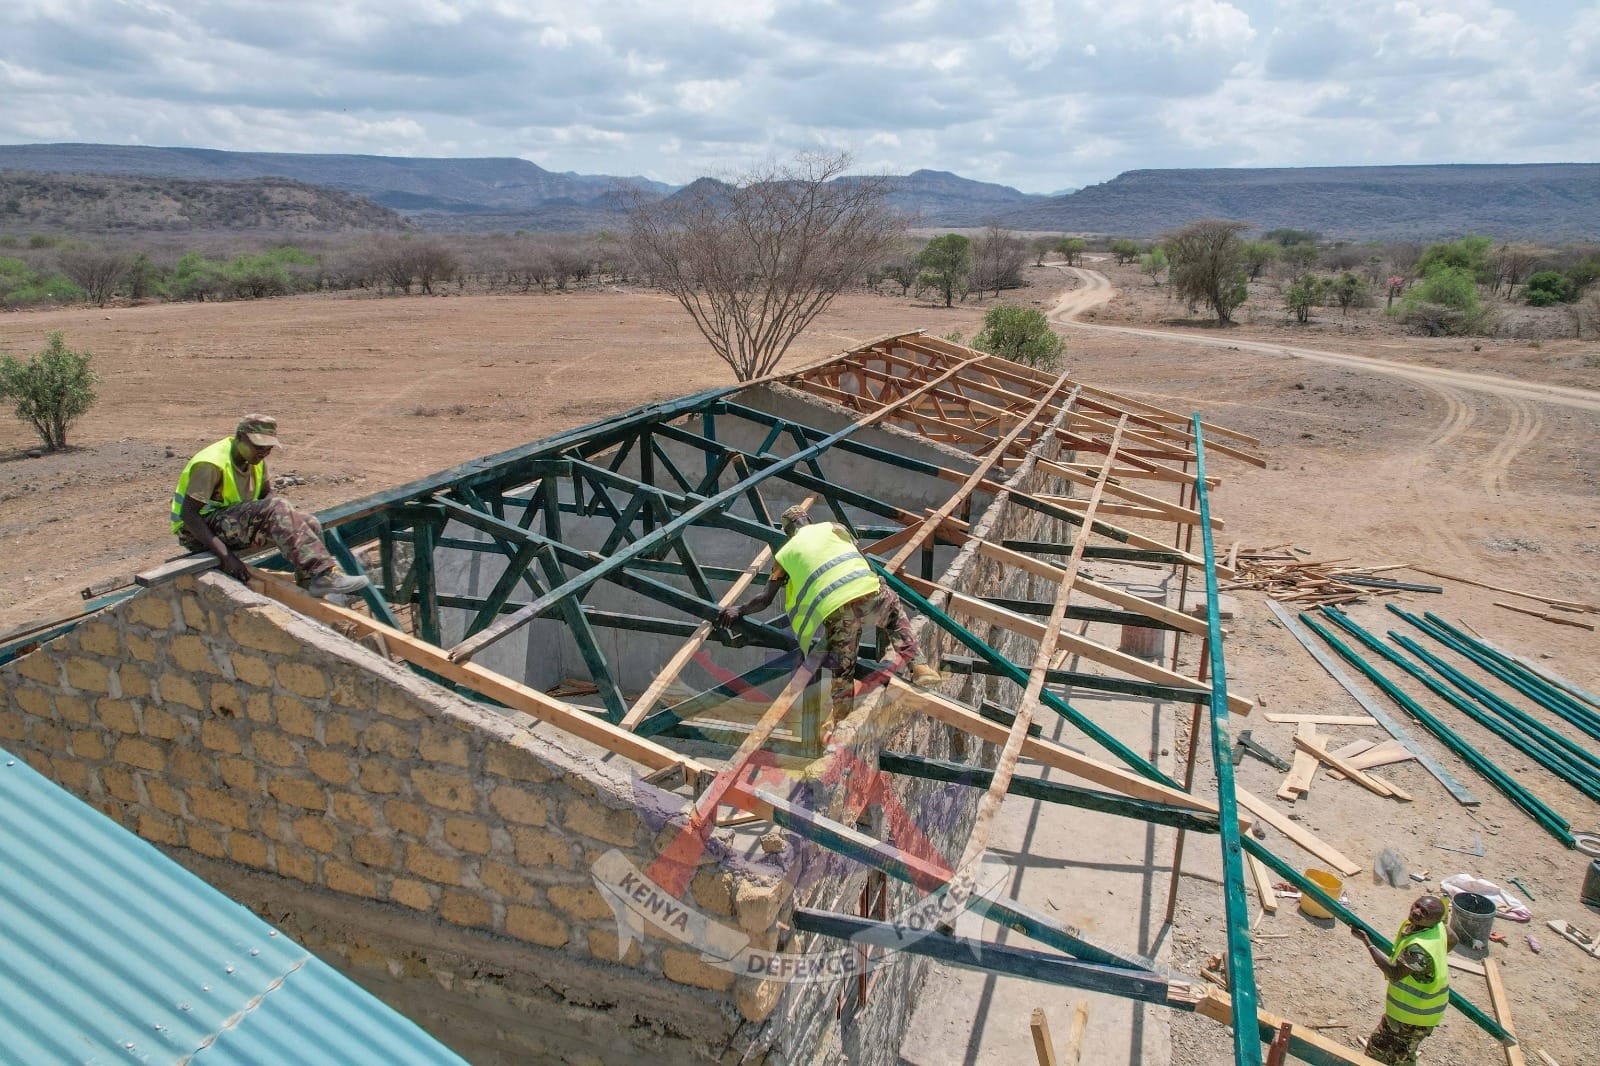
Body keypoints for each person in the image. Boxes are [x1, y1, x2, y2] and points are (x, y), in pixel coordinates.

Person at [717, 505, 943, 724]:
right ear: (808, 520)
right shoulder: (835, 528)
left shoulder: (785, 554)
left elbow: (764, 599)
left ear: (788, 531)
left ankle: (840, 721)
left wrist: (740, 610)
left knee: (843, 667)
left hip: (836, 608)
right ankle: (919, 666)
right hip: (866, 590)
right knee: (894, 618)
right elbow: (864, 562)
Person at [171, 415, 369, 598]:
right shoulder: (211, 464)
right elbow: (189, 515)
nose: (264, 453)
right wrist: (226, 556)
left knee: (310, 523)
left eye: (268, 449)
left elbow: (266, 498)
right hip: (197, 532)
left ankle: (311, 582)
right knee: (278, 507)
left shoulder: (255, 460)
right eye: (259, 447)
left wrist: (279, 525)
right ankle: (322, 572)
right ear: (240, 438)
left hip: (230, 524)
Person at [1351, 894, 1454, 1065]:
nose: (1417, 912)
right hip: (1421, 1010)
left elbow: (1395, 973)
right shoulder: (1437, 928)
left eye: (1425, 912)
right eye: (1417, 905)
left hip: (1412, 1017)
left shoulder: (1420, 949)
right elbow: (1454, 939)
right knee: (1403, 1055)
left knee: (1379, 1052)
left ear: (1435, 919)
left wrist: (1367, 942)